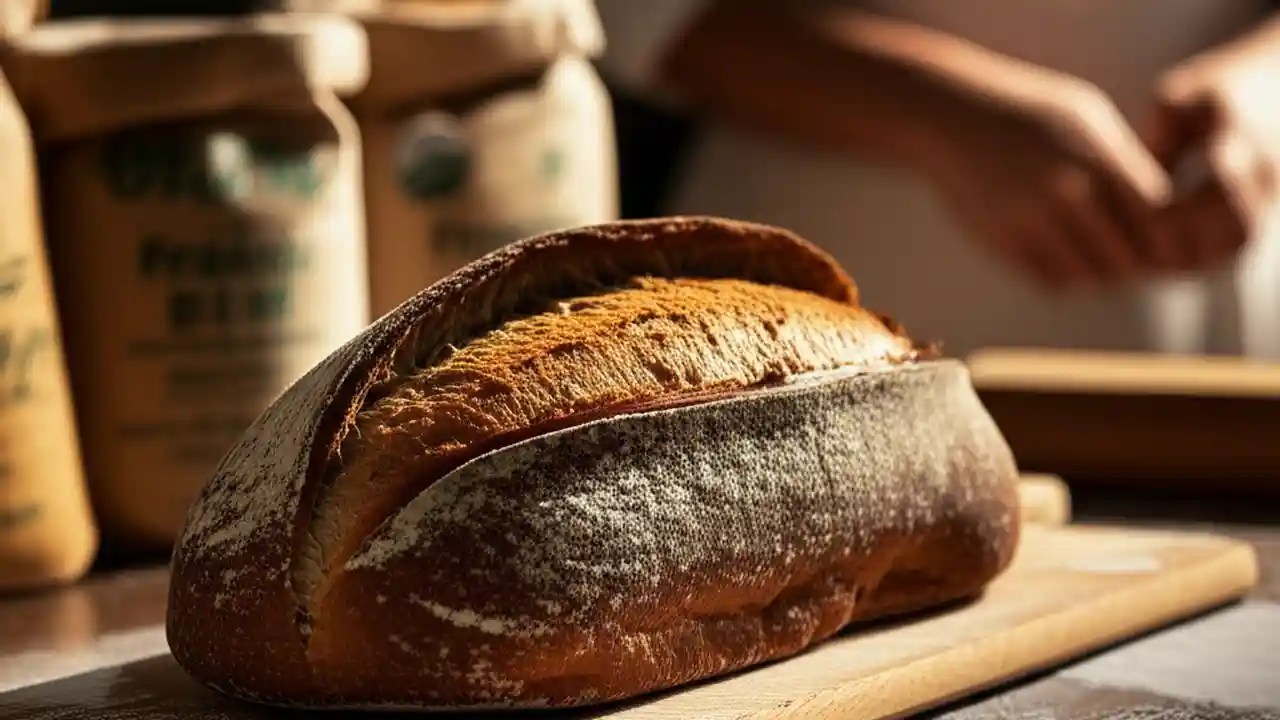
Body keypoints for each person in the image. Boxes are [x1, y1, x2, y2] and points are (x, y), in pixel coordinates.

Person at [595, 1, 1280, 356]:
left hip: (1223, 351)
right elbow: (638, 15)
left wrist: (1262, 91)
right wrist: (940, 114)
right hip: (825, 315)